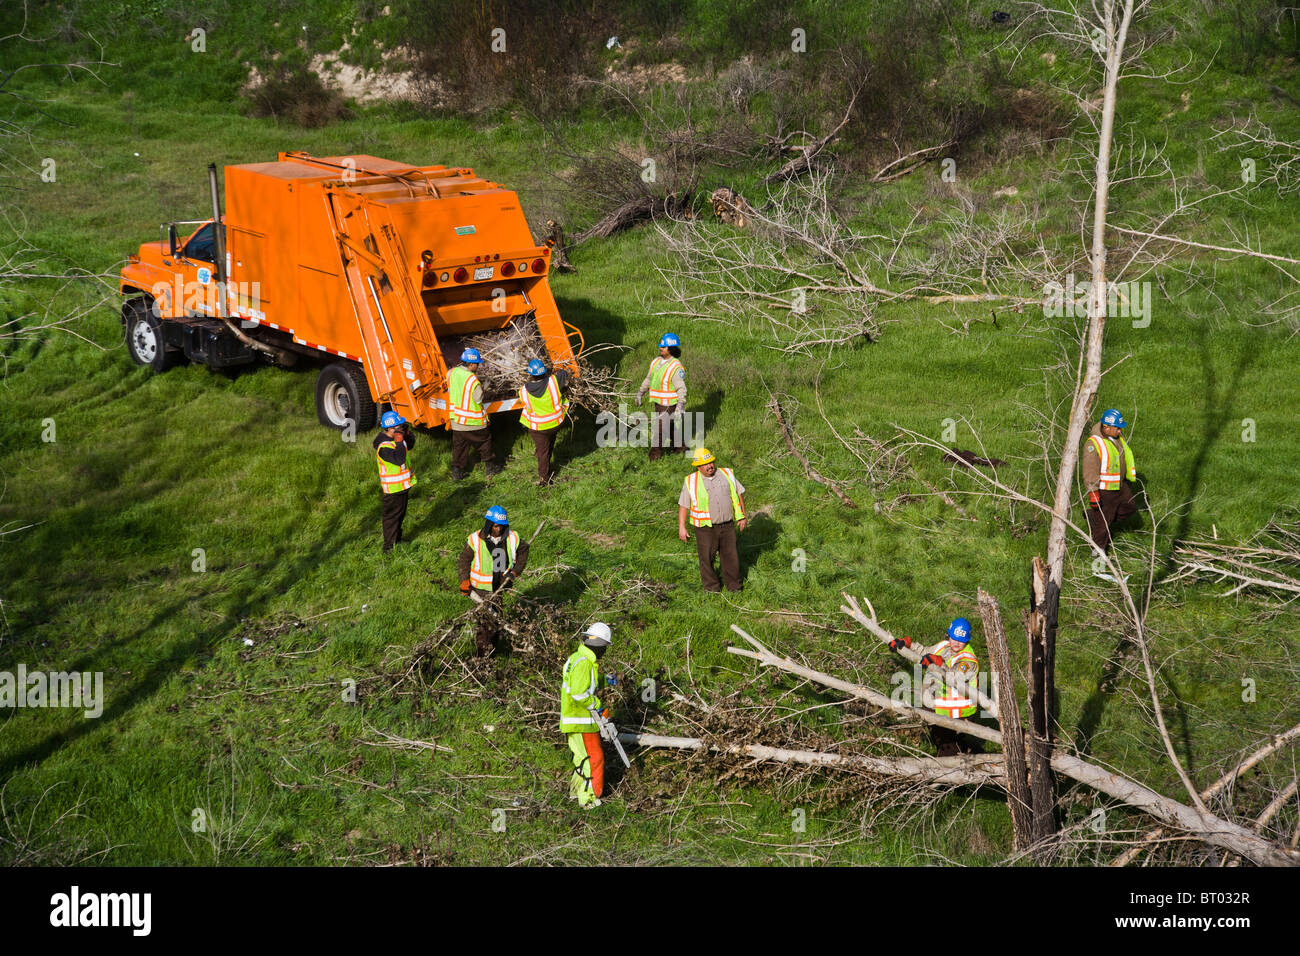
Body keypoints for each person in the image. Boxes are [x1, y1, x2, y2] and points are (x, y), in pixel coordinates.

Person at [892, 617, 981, 757]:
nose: (956, 643)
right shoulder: (944, 646)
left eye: (961, 640)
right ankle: (965, 749)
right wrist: (908, 645)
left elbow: (954, 679)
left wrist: (940, 665)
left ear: (967, 640)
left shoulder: (968, 661)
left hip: (957, 713)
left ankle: (948, 772)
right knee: (939, 737)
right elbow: (925, 652)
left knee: (946, 747)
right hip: (938, 706)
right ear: (949, 635)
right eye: (953, 638)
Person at [457, 506, 529, 656]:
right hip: (481, 589)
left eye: (502, 526)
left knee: (495, 619)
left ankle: (493, 649)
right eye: (496, 526)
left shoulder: (512, 537)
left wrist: (514, 572)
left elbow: (524, 550)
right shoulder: (475, 540)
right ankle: (483, 656)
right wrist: (464, 581)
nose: (499, 529)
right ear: (489, 524)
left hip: (500, 587)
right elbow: (464, 560)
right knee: (485, 623)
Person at [678, 447, 747, 592]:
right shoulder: (691, 481)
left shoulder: (727, 474)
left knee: (731, 558)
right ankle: (711, 589)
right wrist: (682, 527)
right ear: (698, 467)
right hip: (705, 528)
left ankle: (734, 588)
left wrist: (742, 516)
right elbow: (684, 505)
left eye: (711, 462)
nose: (709, 466)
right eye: (705, 464)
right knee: (706, 559)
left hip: (727, 525)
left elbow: (738, 495)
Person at [560, 622, 614, 809]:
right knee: (594, 758)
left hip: (573, 719)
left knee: (581, 757)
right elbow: (579, 692)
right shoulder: (584, 663)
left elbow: (583, 682)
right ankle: (589, 798)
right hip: (581, 719)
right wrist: (598, 706)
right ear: (599, 646)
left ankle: (577, 791)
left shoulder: (578, 658)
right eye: (605, 648)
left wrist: (604, 680)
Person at [1081, 408, 1138, 554]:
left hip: (1120, 484)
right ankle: (1098, 551)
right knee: (1104, 523)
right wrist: (1093, 492)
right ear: (1106, 427)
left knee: (1130, 508)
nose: (1120, 431)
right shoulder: (1093, 444)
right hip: (1105, 488)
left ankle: (1092, 516)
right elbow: (1090, 469)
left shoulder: (1116, 437)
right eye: (1117, 428)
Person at [448, 347, 502, 480]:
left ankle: (456, 472)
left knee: (459, 447)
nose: (478, 366)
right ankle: (490, 469)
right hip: (472, 421)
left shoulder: (452, 372)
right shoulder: (472, 379)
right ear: (471, 364)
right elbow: (478, 399)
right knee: (484, 443)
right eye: (477, 364)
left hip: (456, 421)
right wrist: (485, 388)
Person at [519, 358, 571, 485]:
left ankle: (544, 479)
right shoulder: (554, 382)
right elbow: (563, 373)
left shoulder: (523, 390)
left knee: (542, 452)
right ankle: (547, 458)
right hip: (555, 423)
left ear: (530, 374)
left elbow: (524, 402)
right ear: (544, 372)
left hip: (538, 428)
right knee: (549, 442)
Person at [636, 333, 687, 461]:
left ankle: (654, 456)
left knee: (659, 429)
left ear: (671, 349)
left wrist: (680, 405)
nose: (660, 348)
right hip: (658, 402)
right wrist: (640, 392)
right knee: (668, 426)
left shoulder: (676, 366)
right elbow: (649, 378)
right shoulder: (656, 362)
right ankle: (680, 448)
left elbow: (681, 388)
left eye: (664, 347)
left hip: (668, 404)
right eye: (661, 346)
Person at [373, 410, 416, 553]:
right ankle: (388, 547)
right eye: (399, 427)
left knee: (400, 515)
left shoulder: (397, 438)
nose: (401, 429)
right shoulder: (384, 447)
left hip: (403, 486)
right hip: (392, 490)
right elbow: (399, 459)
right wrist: (399, 441)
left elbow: (409, 445)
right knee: (391, 518)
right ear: (390, 429)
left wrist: (407, 434)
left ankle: (397, 539)